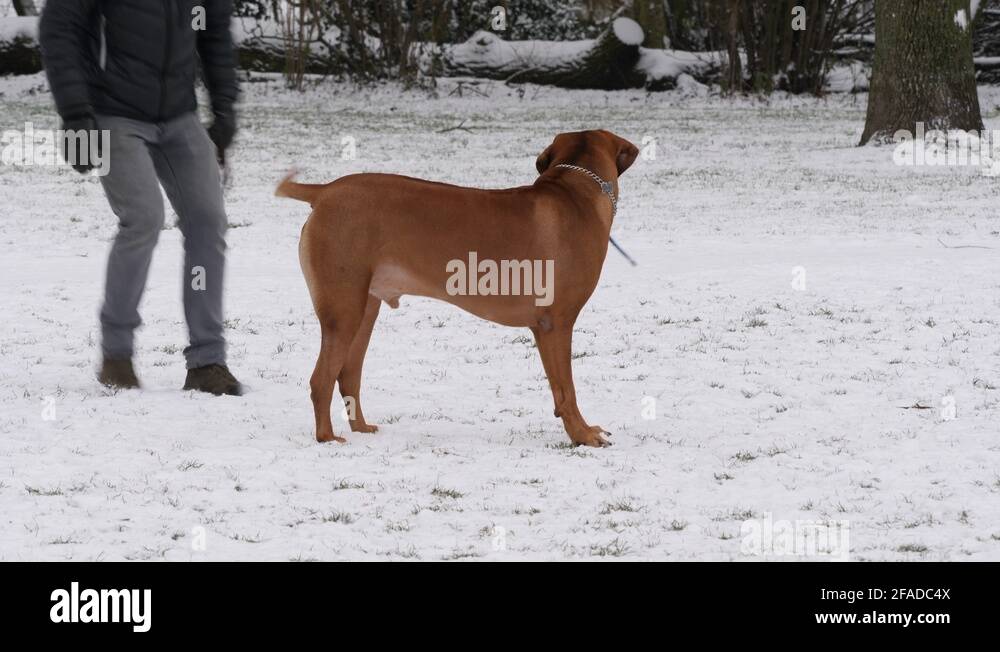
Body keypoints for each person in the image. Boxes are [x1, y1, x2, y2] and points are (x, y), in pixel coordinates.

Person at [39, 0, 243, 395]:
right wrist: (76, 114)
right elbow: (58, 31)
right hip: (111, 114)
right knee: (143, 218)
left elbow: (215, 36)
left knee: (208, 221)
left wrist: (224, 111)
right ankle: (117, 355)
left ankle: (207, 362)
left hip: (178, 117)